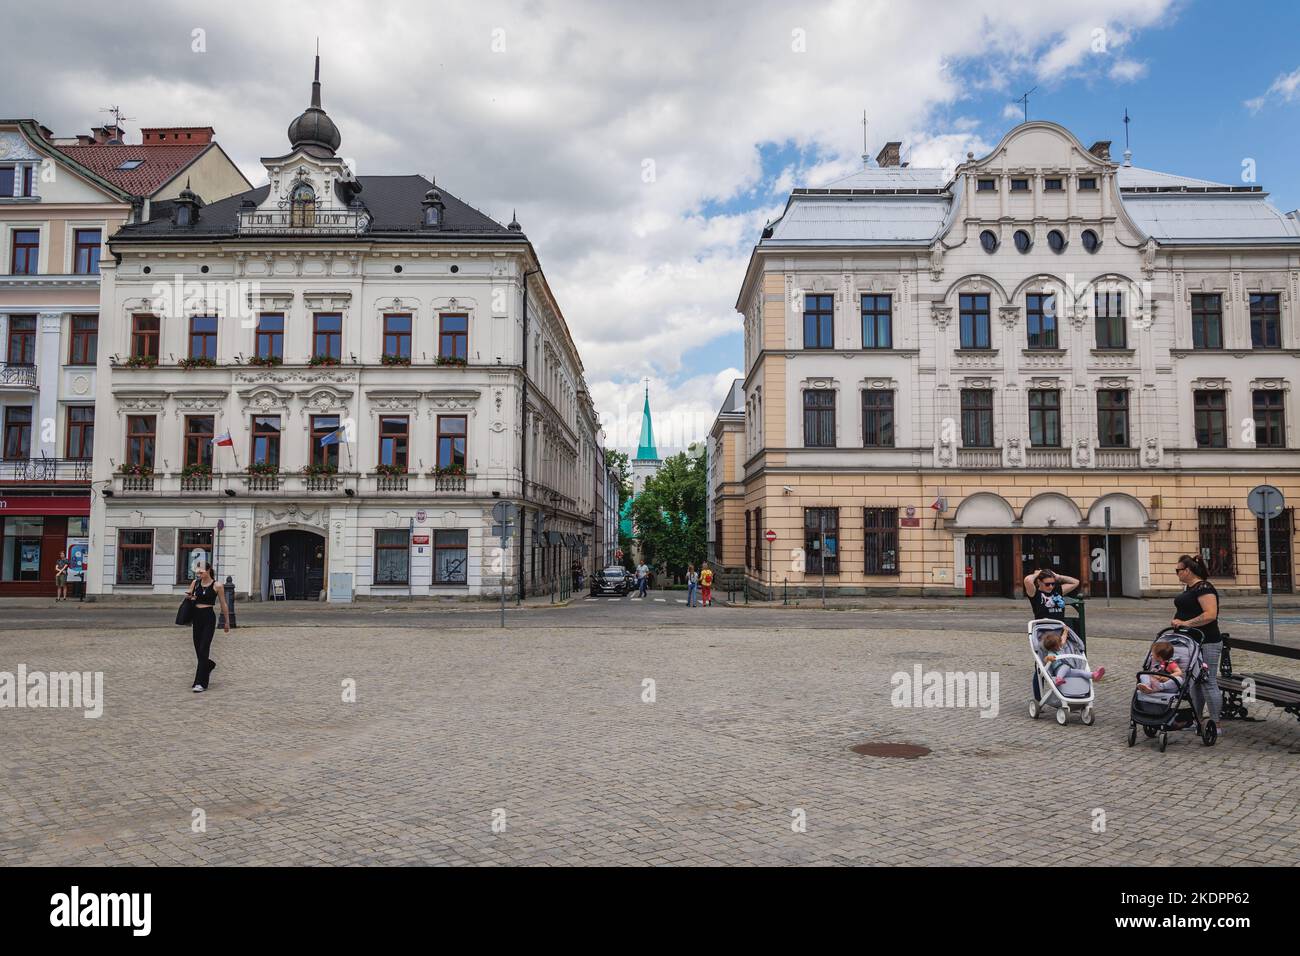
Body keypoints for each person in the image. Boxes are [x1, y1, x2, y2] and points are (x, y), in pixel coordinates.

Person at [1172, 554, 1222, 732]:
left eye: (1178, 570)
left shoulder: (1204, 588)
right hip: (1190, 642)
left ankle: (1215, 724)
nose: (1176, 573)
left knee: (1208, 681)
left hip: (1207, 641)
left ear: (1187, 571)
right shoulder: (1190, 588)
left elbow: (1210, 615)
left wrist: (1186, 623)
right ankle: (1197, 720)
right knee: (1194, 682)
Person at [185, 561, 230, 692]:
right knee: (198, 649)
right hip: (196, 617)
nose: (199, 573)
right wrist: (190, 598)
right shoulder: (195, 583)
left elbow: (223, 604)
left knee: (204, 648)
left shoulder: (217, 586)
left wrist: (227, 622)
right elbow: (188, 599)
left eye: (201, 571)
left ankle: (200, 683)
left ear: (209, 570)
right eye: (197, 571)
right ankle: (208, 665)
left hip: (208, 617)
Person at [1040, 629, 1105, 686]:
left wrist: (1065, 631)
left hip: (1068, 671)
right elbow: (1045, 659)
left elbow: (1063, 639)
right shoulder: (1051, 653)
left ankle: (1093, 675)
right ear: (1054, 646)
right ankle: (1058, 679)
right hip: (1058, 671)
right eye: (1058, 644)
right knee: (1065, 666)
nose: (1061, 644)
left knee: (1080, 672)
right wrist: (1049, 658)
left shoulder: (1060, 648)